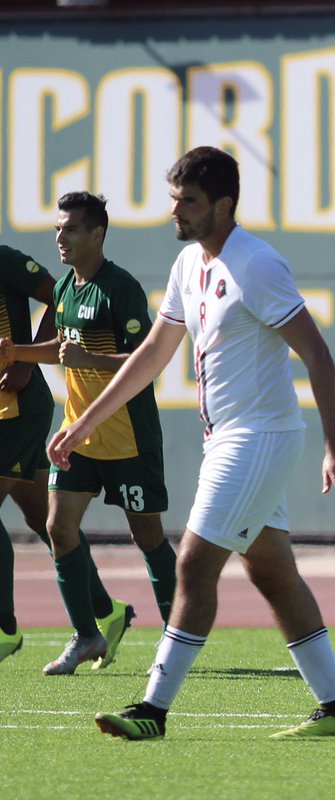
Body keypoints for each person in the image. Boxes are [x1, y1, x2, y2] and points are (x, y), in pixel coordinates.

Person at [46, 147, 335, 740]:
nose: (176, 210)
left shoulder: (258, 264)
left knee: (193, 562)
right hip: (228, 441)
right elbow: (151, 357)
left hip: (260, 438)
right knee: (272, 573)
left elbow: (317, 354)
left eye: (188, 201)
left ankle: (154, 710)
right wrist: (83, 423)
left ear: (223, 204)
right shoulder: (188, 264)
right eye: (174, 199)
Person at [1, 193, 177, 676]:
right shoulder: (65, 289)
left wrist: (92, 360)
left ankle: (177, 637)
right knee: (58, 528)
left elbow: (147, 362)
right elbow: (60, 346)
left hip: (127, 437)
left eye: (72, 229)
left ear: (97, 234)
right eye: (59, 228)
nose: (61, 237)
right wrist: (17, 352)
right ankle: (87, 635)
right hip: (79, 433)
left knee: (148, 538)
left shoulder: (121, 289)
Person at [1, 243, 129, 668]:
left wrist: (24, 361)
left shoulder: (4, 259)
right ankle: (107, 611)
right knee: (46, 521)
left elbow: (58, 293)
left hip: (15, 407)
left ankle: (4, 629)